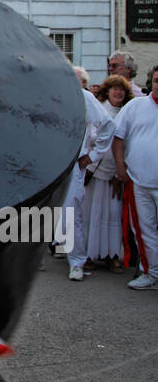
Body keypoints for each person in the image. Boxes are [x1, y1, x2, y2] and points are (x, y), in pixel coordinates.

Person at [58, 83, 117, 280]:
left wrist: (92, 156)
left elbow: (107, 125)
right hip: (43, 163)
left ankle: (77, 262)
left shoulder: (83, 97)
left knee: (70, 214)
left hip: (72, 163)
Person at [111, 64, 158, 289]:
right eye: (157, 80)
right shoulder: (136, 106)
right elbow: (118, 137)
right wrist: (120, 166)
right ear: (152, 82)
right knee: (144, 231)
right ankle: (152, 274)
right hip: (139, 181)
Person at [81, 76, 133, 272]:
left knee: (112, 215)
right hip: (95, 170)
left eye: (121, 90)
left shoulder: (127, 111)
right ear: (107, 91)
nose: (118, 93)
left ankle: (111, 255)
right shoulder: (99, 108)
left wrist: (122, 168)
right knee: (92, 214)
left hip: (116, 173)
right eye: (114, 89)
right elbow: (93, 135)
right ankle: (89, 255)